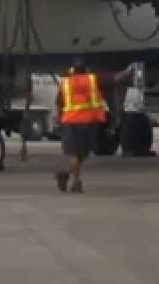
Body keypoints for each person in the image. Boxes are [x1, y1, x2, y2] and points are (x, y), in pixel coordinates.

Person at [55, 59, 132, 193]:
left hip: (70, 122)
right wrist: (128, 72)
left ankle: (67, 175)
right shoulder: (93, 80)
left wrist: (58, 117)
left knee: (74, 153)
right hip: (88, 123)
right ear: (87, 70)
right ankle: (76, 182)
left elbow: (59, 103)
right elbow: (113, 79)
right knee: (82, 154)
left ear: (73, 70)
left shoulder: (65, 83)